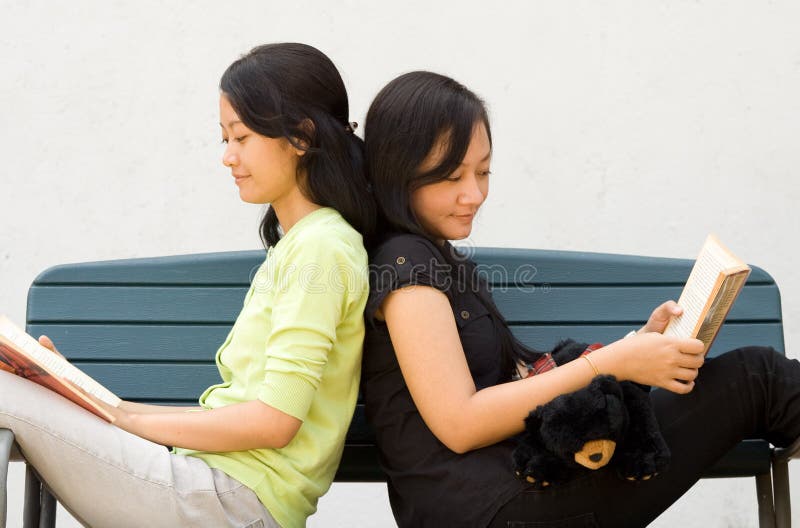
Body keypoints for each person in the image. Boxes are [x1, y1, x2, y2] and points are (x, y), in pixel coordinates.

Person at [360, 70, 800, 527]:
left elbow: (507, 391)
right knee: (754, 378)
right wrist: (615, 363)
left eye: (484, 171)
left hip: (511, 491)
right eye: (452, 176)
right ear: (399, 173)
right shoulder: (406, 266)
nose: (474, 194)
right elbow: (461, 423)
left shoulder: (434, 258)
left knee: (755, 378)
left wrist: (634, 351)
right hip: (493, 507)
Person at [0, 43, 373, 528]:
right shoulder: (302, 244)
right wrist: (76, 394)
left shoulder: (322, 248)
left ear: (300, 138)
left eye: (240, 137)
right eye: (224, 139)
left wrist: (118, 417)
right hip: (210, 488)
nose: (227, 157)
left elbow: (274, 422)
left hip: (231, 502)